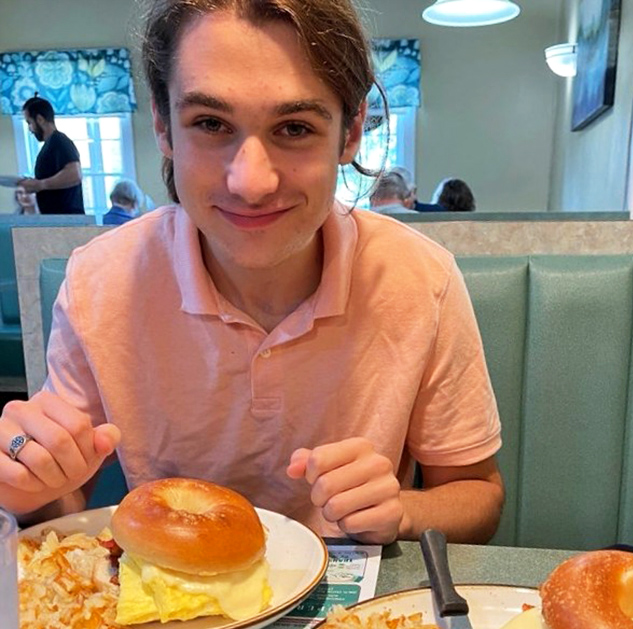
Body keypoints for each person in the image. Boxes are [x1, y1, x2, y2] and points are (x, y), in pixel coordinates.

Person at [0, 0, 503, 546]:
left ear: (352, 131)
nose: (251, 182)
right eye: (211, 124)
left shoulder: (421, 279)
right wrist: (27, 485)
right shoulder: (101, 282)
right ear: (164, 127)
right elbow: (62, 500)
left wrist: (401, 512)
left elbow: (478, 493)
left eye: (294, 127)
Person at [18, 96, 85, 215]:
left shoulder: (59, 141)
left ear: (40, 119)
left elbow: (75, 174)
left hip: (67, 221)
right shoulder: (50, 145)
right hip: (58, 220)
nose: (30, 129)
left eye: (29, 123)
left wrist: (40, 184)